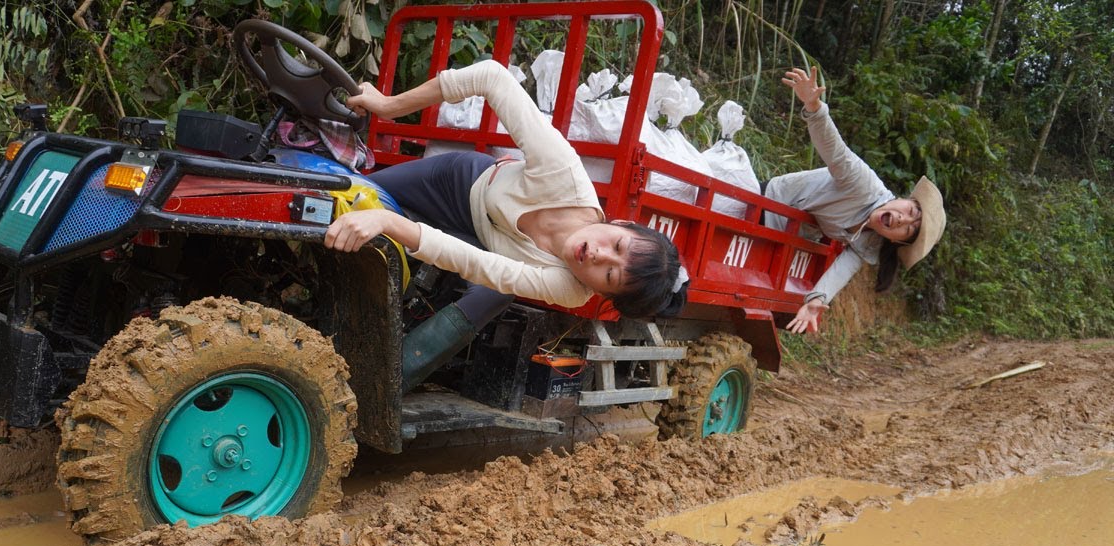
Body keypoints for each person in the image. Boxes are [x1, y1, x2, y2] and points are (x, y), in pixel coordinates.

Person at [323, 60, 688, 390]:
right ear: (622, 223)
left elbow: (478, 263)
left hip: (484, 248)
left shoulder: (571, 289)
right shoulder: (563, 175)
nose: (597, 254)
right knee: (350, 194)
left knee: (493, 292)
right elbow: (492, 77)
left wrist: (387, 221)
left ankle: (375, 389)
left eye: (609, 275)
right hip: (459, 187)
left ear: (601, 295)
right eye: (617, 245)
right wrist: (388, 106)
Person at [765, 67, 947, 334]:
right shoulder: (864, 185)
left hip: (787, 234)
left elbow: (842, 269)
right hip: (768, 202)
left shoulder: (871, 244)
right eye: (910, 210)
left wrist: (817, 300)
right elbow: (836, 152)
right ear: (901, 199)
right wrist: (814, 106)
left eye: (908, 228)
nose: (901, 218)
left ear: (896, 240)